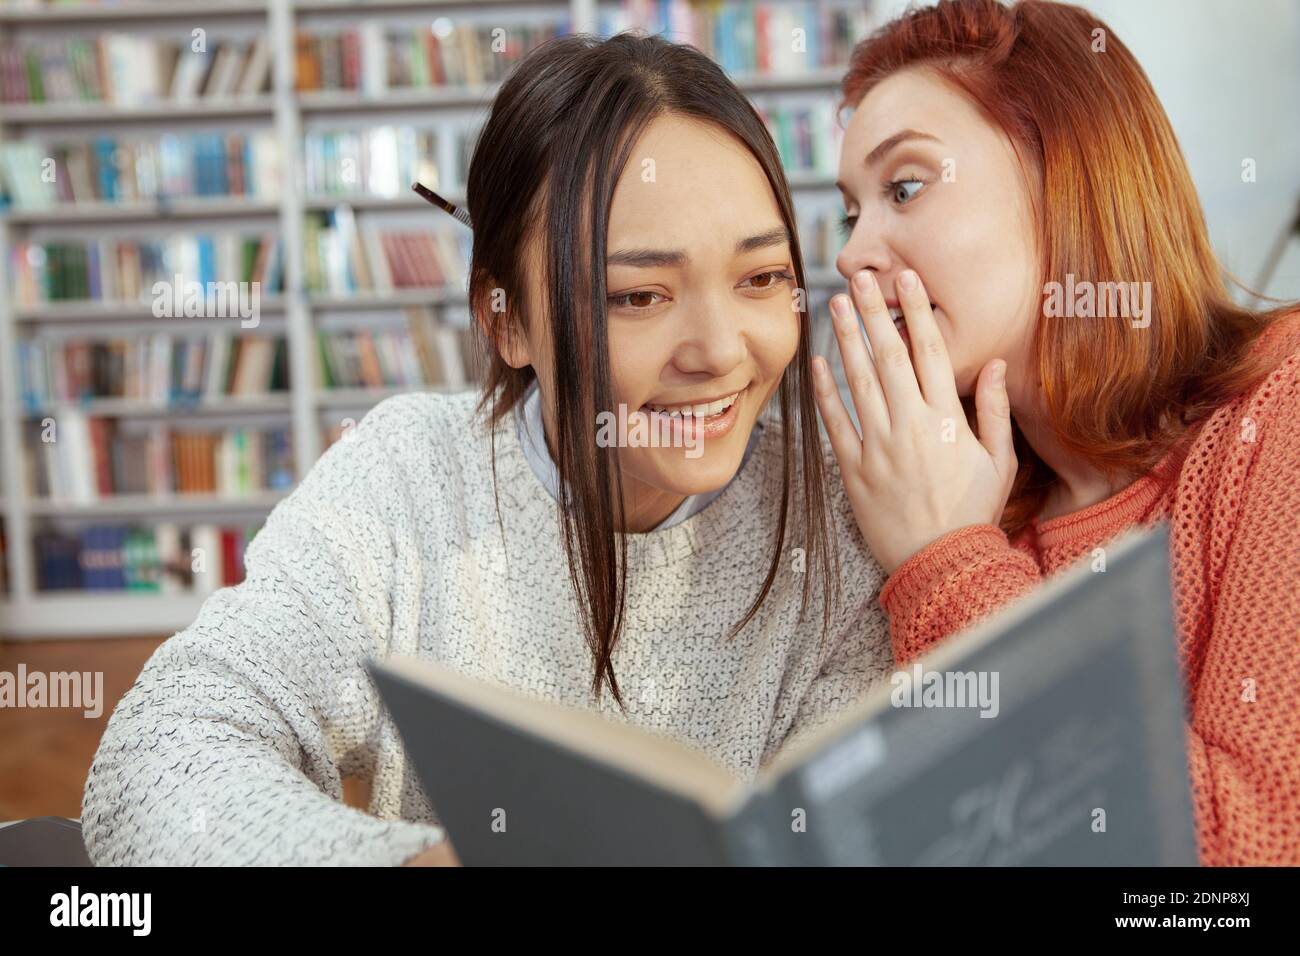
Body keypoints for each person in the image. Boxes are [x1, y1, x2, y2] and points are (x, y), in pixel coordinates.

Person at [80, 33, 891, 866]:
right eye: (639, 295)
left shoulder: (837, 510)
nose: (720, 351)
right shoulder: (408, 477)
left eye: (760, 278)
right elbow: (159, 756)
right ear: (506, 319)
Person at [815, 0, 1300, 865]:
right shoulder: (952, 497)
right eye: (852, 211)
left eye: (905, 187)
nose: (854, 254)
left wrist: (949, 561)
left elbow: (1241, 865)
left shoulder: (1280, 402)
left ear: (1067, 172)